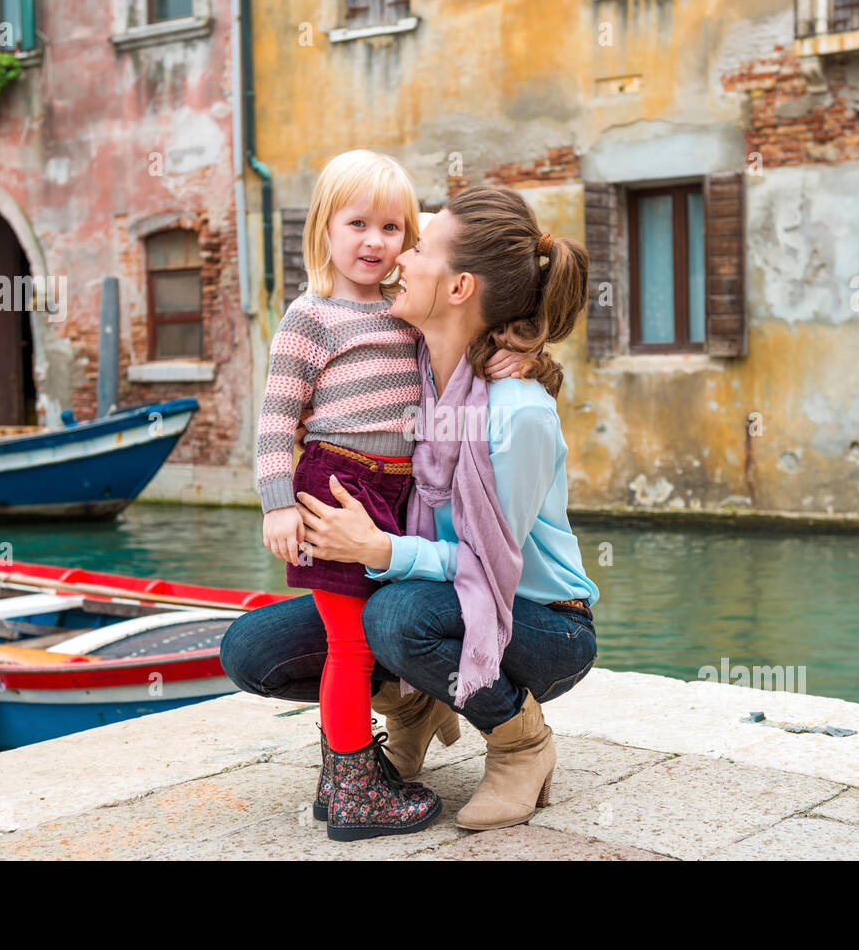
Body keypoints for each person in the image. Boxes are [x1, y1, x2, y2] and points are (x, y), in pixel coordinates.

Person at [226, 182, 599, 833]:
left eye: (416, 245)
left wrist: (380, 550)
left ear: (459, 289)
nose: (395, 254)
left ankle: (520, 742)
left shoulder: (520, 413)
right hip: (431, 594)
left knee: (397, 616)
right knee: (253, 648)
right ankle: (419, 706)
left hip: (543, 624)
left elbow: (488, 570)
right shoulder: (416, 369)